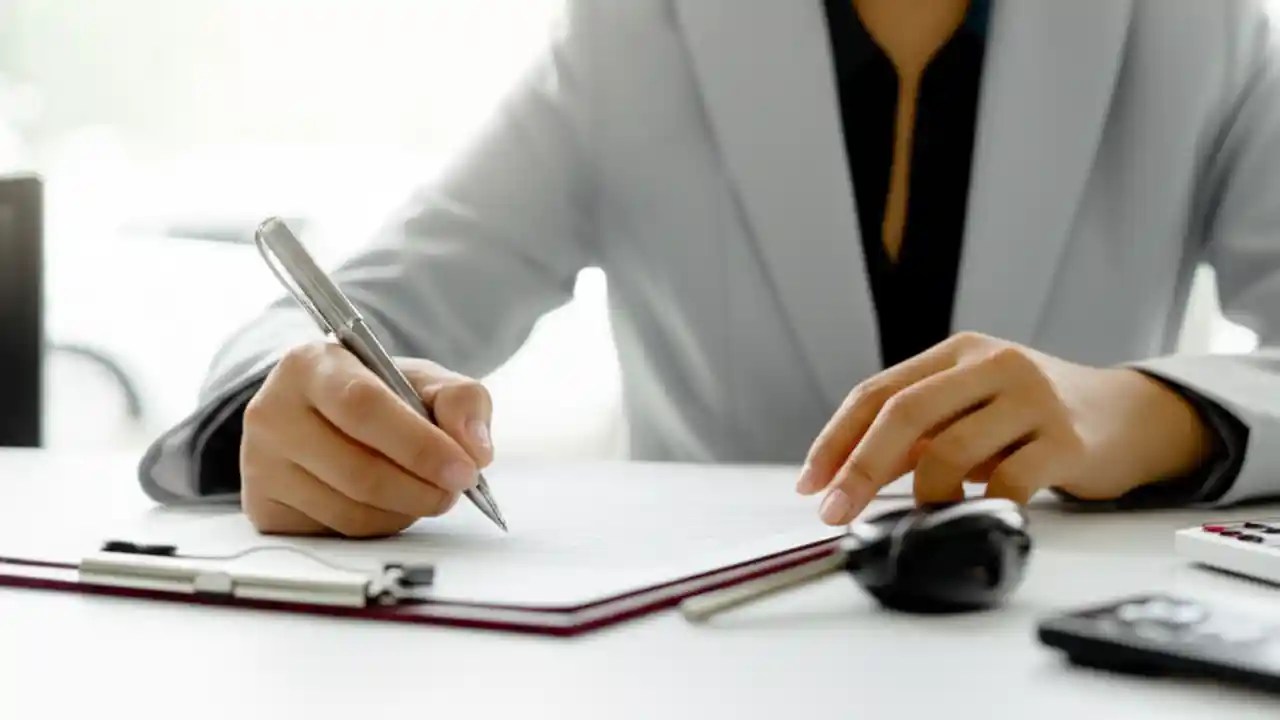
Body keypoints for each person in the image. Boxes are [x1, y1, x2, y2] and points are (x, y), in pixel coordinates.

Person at [141, 0, 1280, 537]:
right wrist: (285, 409)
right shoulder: (635, 32)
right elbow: (370, 305)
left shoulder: (1203, 25)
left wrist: (1143, 414)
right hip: (703, 668)